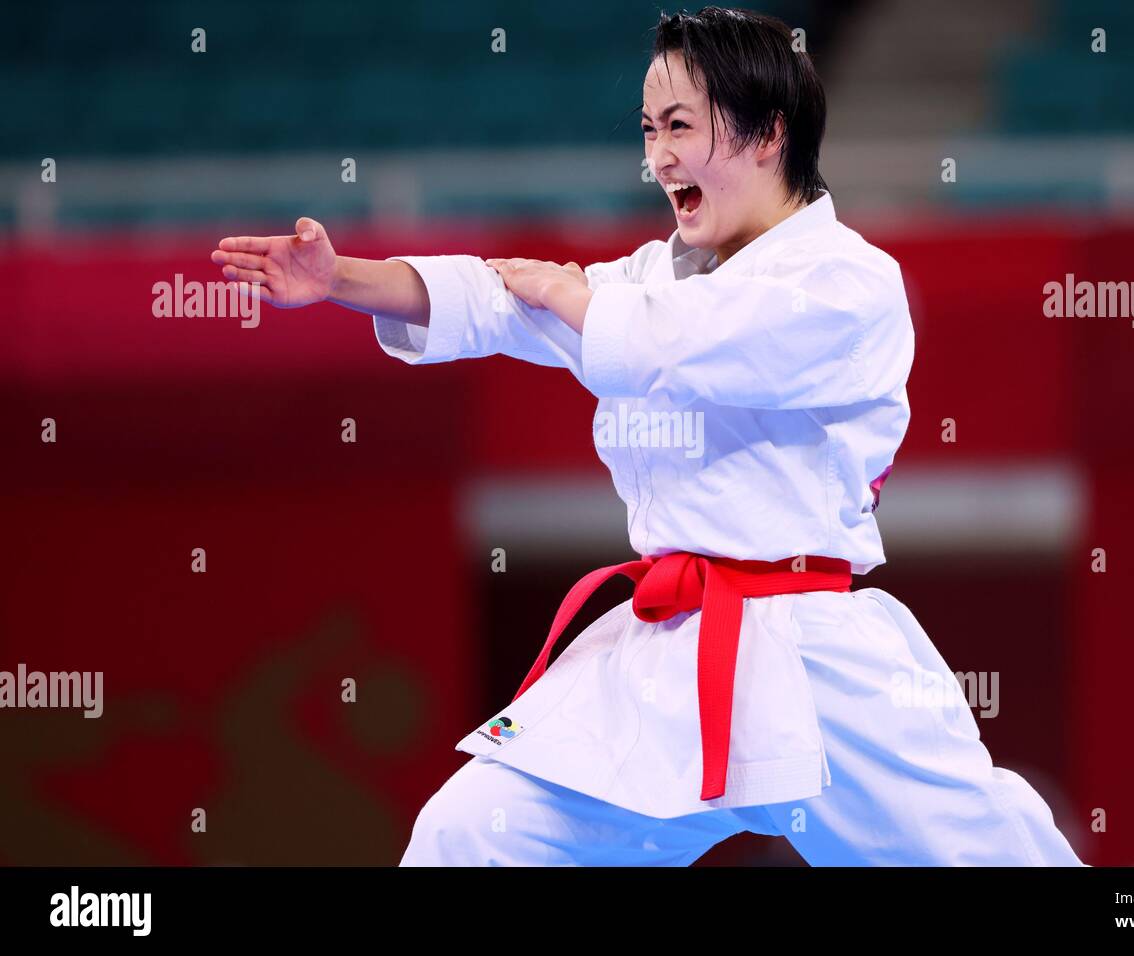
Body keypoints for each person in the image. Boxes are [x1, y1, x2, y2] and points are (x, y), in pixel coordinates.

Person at [210, 6, 1085, 866]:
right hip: (664, 647)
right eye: (647, 128)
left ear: (767, 134)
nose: (657, 156)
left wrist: (577, 300)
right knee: (470, 834)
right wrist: (337, 278)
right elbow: (498, 298)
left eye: (679, 126)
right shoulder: (648, 279)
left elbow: (694, 342)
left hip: (818, 658)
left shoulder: (850, 282)